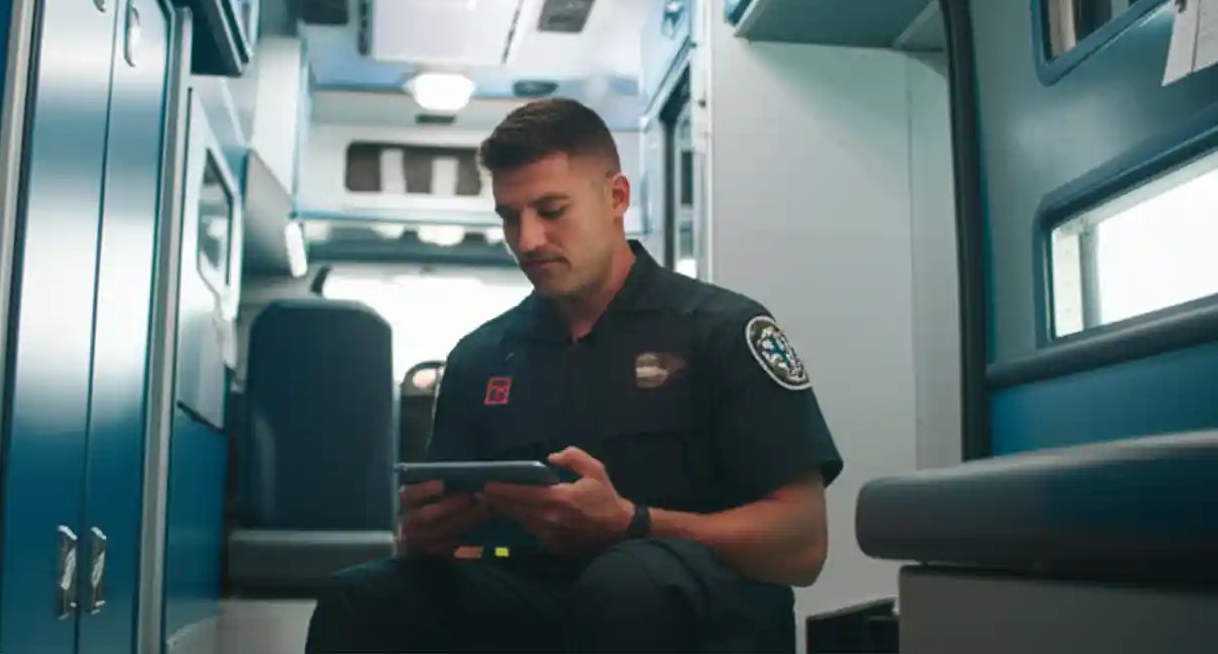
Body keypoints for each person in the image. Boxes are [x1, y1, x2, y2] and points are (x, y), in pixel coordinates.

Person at [305, 98, 843, 653]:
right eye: (510, 217)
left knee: (626, 584)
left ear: (616, 198)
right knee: (363, 597)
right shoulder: (481, 357)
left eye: (552, 210)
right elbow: (456, 548)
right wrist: (424, 539)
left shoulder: (722, 331)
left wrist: (634, 523)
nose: (528, 240)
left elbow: (802, 547)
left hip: (690, 607)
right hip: (536, 599)